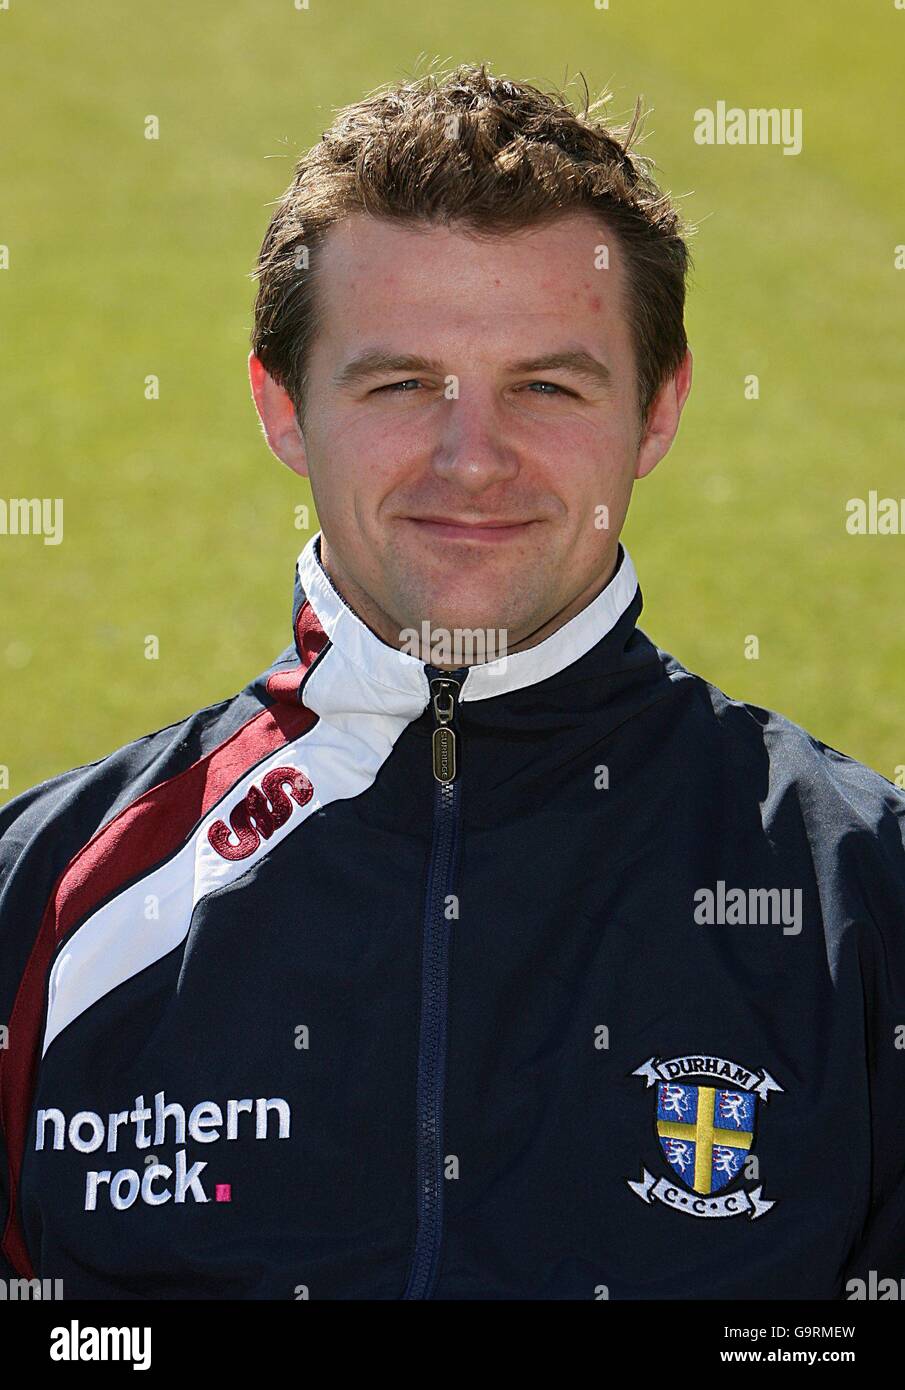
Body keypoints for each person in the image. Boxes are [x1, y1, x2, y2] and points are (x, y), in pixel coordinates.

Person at [1, 62, 902, 1301]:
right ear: (280, 407)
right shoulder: (48, 903)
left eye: (544, 385)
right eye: (397, 384)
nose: (470, 460)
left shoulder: (862, 897)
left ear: (656, 411)